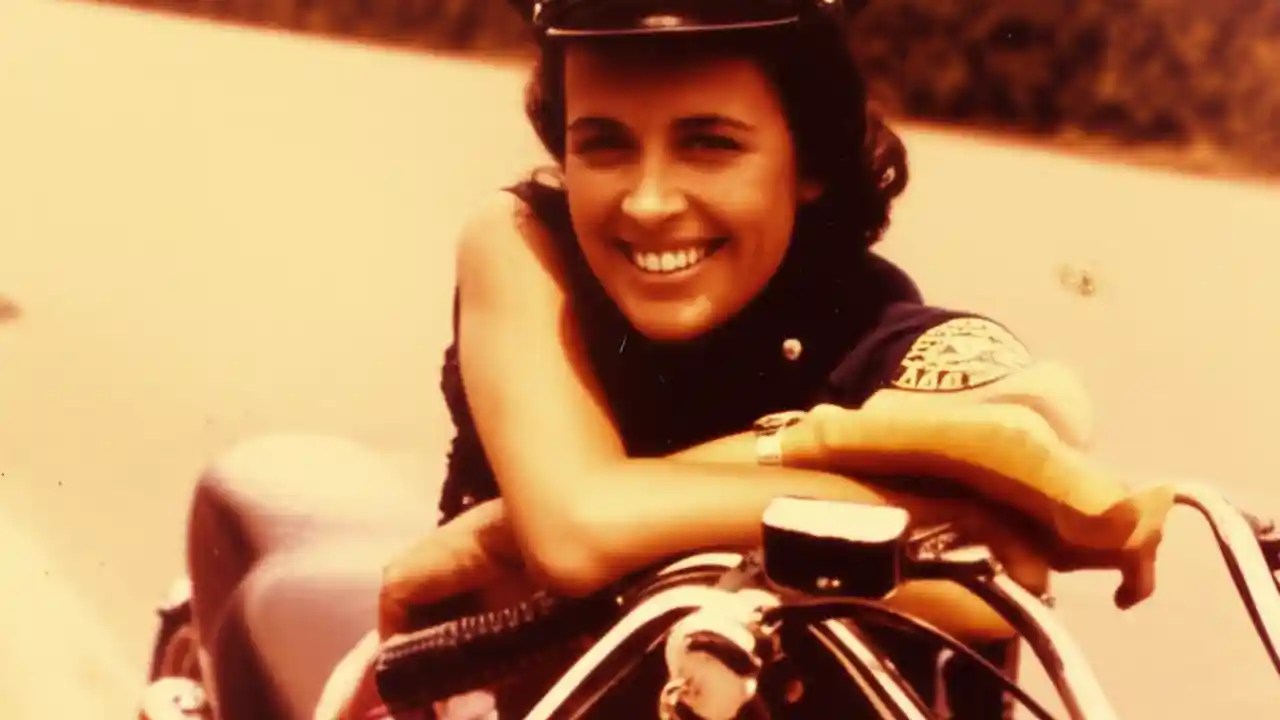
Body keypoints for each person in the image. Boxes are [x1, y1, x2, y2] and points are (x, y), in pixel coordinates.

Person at [188, 1, 1174, 718]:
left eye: (708, 145)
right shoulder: (522, 243)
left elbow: (999, 569)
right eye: (602, 145)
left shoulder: (900, 344)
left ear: (811, 160)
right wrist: (876, 487)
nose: (649, 201)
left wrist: (502, 538)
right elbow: (577, 529)